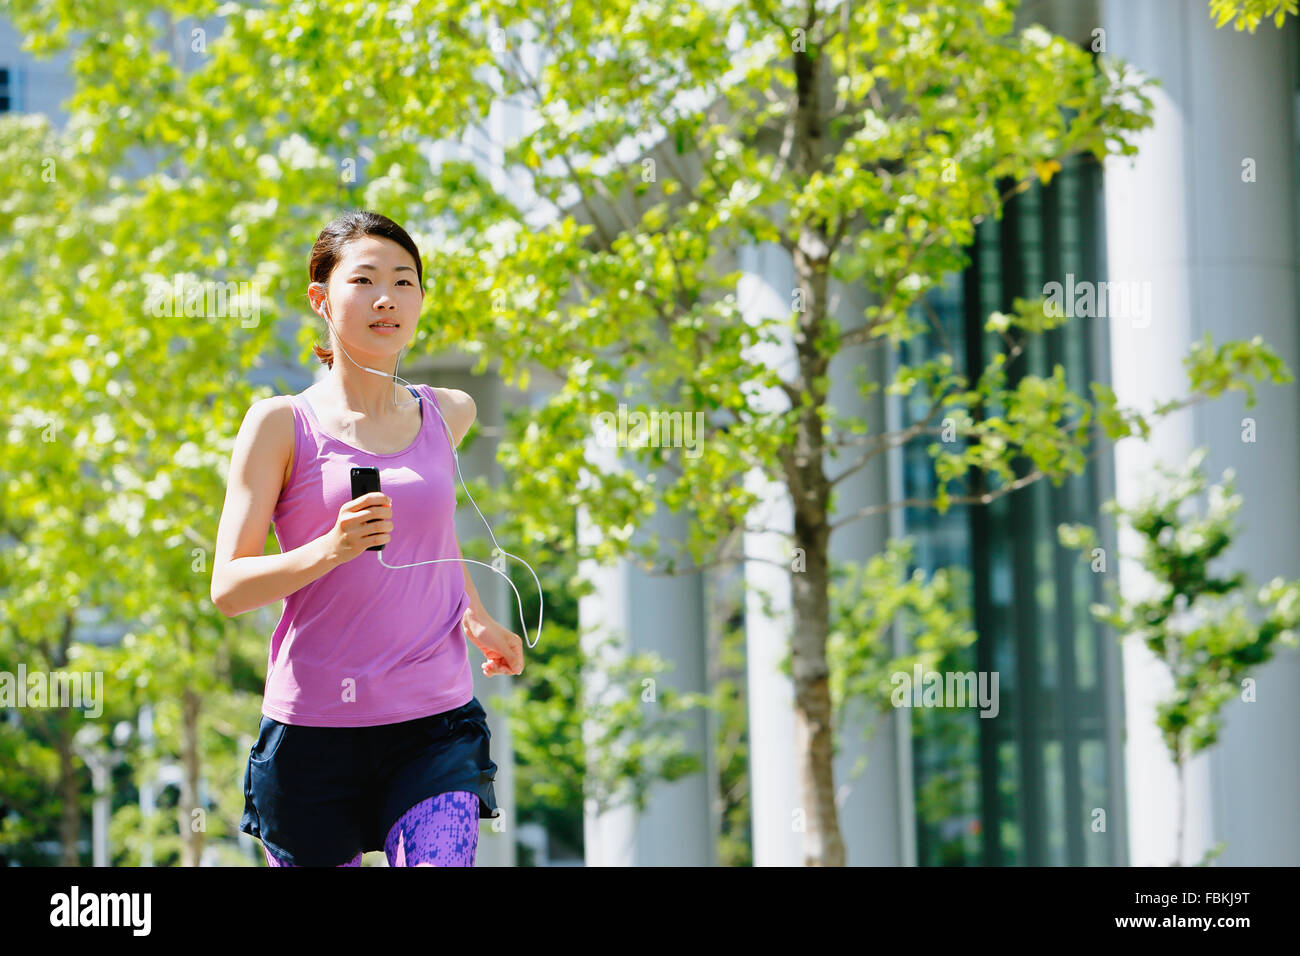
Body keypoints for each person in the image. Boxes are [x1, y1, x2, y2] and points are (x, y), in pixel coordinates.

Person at [210, 210, 525, 866]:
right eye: (366, 280)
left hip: (433, 724)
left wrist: (478, 618)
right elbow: (229, 589)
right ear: (321, 300)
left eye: (405, 281)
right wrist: (330, 549)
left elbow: (428, 539)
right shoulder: (279, 424)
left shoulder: (448, 412)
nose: (388, 297)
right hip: (312, 737)